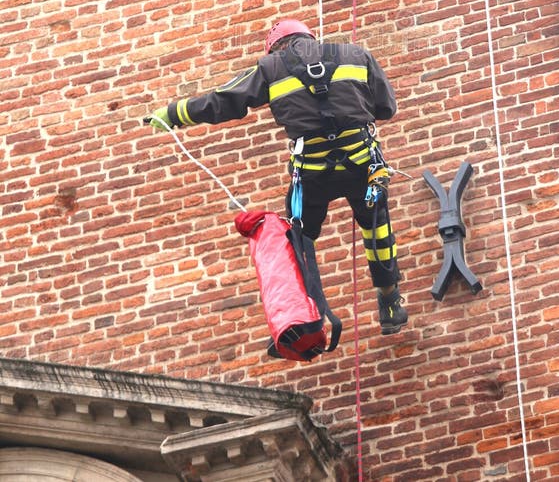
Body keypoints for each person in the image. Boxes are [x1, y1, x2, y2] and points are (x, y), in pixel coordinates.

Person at [148, 19, 408, 335]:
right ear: (309, 36)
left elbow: (224, 100)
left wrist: (173, 114)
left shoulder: (270, 68)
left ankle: (305, 315)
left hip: (312, 175)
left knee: (298, 237)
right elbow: (386, 107)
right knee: (376, 225)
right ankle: (389, 302)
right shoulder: (355, 55)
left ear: (275, 48)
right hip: (362, 165)